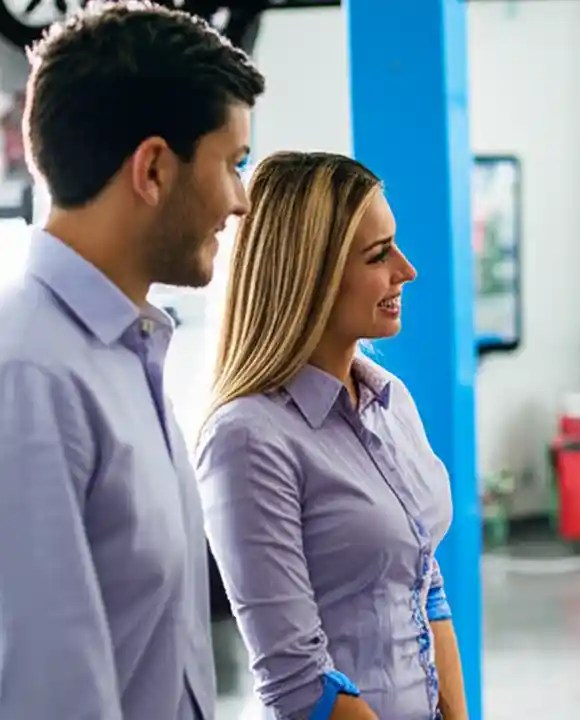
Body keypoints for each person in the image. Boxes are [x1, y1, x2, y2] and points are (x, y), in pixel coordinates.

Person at [0, 4, 263, 718]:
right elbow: (51, 694)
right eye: (233, 164)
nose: (240, 202)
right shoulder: (32, 376)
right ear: (152, 168)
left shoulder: (128, 352)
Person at [195, 151, 467, 720]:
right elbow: (296, 680)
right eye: (378, 255)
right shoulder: (247, 438)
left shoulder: (389, 398)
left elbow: (424, 575)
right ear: (309, 275)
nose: (406, 269)